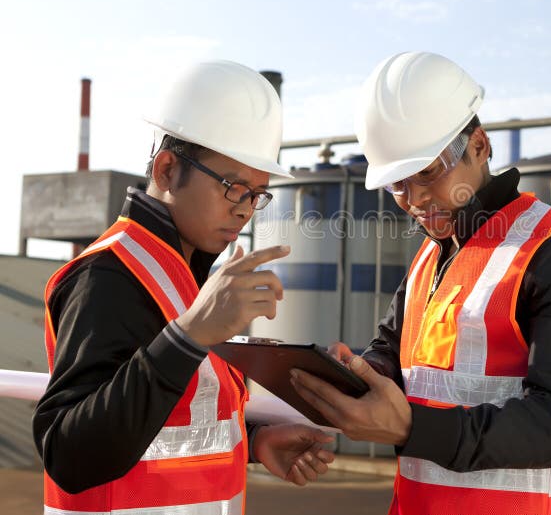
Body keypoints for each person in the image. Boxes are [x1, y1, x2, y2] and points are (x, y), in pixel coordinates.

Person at [290, 51, 551, 515]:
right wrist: (357, 377)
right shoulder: (430, 253)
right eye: (398, 184)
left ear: (480, 146)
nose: (415, 199)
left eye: (427, 172)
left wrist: (409, 428)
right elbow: (392, 352)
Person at [33, 60, 334, 515]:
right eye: (234, 187)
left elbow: (174, 422)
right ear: (168, 169)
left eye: (258, 194)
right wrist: (187, 337)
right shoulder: (107, 277)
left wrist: (253, 442)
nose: (246, 210)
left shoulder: (187, 277)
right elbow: (69, 454)